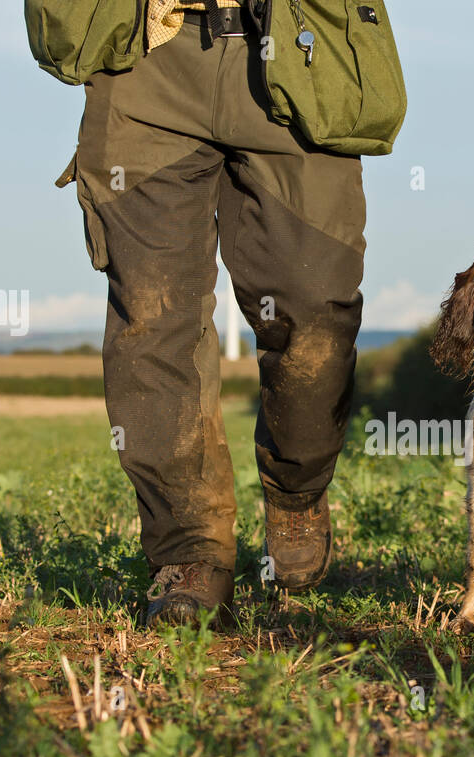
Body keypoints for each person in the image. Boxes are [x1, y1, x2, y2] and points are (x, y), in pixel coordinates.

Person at [61, 0, 369, 627]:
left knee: (315, 310)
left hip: (297, 46)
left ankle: (297, 486)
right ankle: (190, 551)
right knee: (153, 321)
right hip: (147, 55)